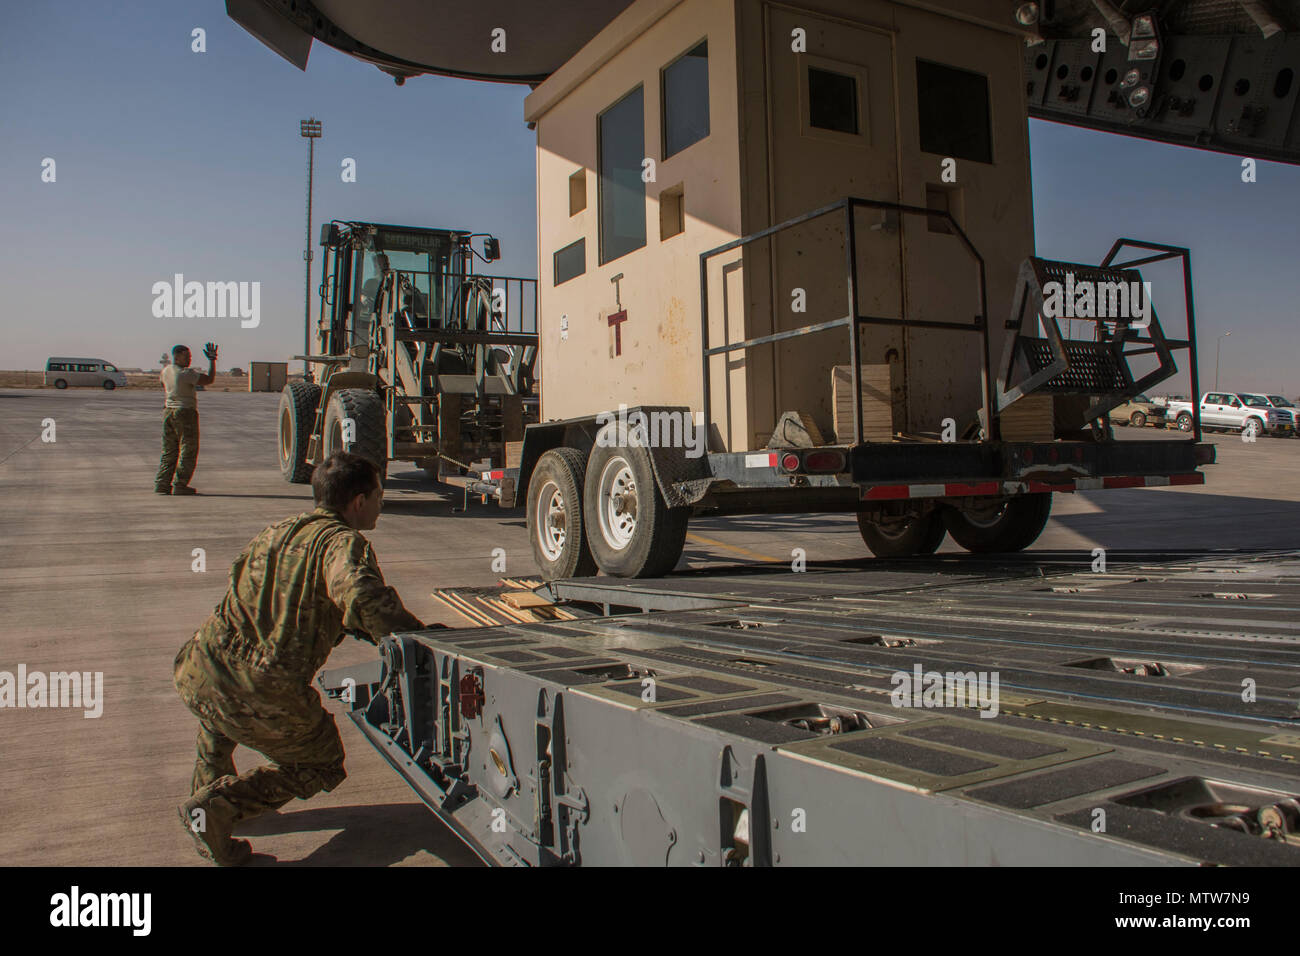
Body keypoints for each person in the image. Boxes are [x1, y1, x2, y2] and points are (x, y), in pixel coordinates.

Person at [173, 452, 426, 865]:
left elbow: (255, 590)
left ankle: (211, 807)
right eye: (380, 495)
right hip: (260, 684)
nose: (382, 504)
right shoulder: (343, 543)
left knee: (219, 718)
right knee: (323, 763)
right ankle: (216, 809)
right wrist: (415, 641)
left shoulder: (277, 531)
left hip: (202, 665)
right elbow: (362, 596)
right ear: (358, 502)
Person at [155, 343, 217, 495]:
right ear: (177, 356)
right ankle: (180, 484)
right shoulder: (185, 373)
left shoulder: (165, 371)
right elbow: (208, 380)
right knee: (188, 449)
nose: (189, 359)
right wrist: (212, 361)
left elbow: (162, 382)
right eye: (186, 356)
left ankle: (162, 483)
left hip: (168, 411)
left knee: (169, 450)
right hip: (185, 411)